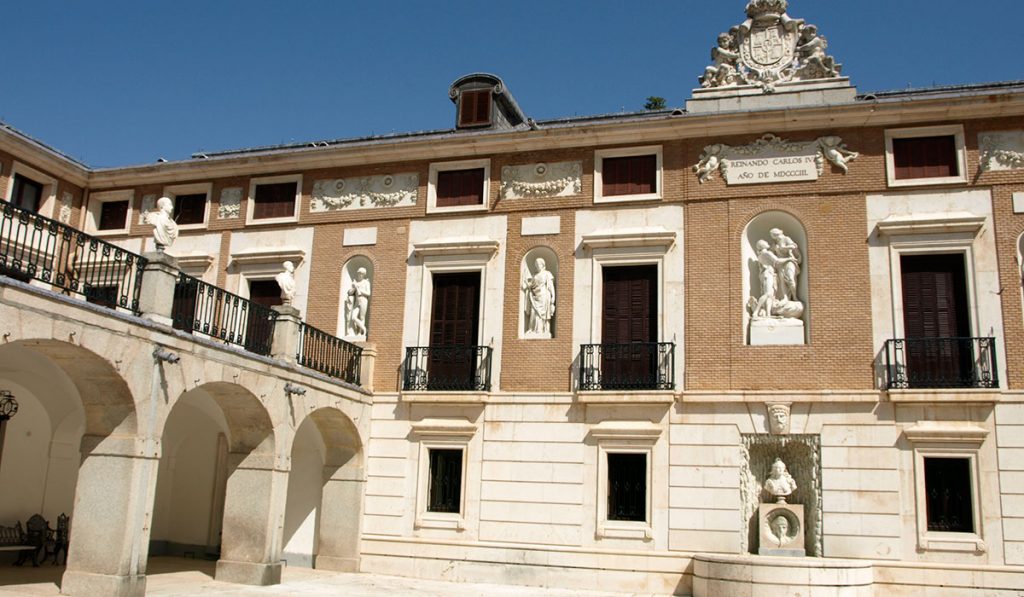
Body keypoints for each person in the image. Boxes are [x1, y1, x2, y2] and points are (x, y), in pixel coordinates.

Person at [522, 258, 555, 337]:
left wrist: (553, 297)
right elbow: (529, 286)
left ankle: (542, 330)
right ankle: (532, 329)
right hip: (534, 296)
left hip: (543, 296)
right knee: (534, 313)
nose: (537, 266)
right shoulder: (534, 276)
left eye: (539, 264)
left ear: (543, 265)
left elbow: (550, 286)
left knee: (542, 315)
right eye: (536, 265)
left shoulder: (547, 274)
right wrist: (525, 281)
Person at [770, 228, 801, 303]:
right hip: (780, 263)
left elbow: (793, 246)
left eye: (776, 235)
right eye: (774, 236)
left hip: (790, 260)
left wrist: (784, 248)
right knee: (782, 281)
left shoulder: (786, 239)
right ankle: (785, 297)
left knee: (790, 278)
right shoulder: (775, 244)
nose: (776, 237)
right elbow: (771, 253)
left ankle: (794, 296)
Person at [346, 267, 371, 337]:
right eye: (359, 273)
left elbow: (368, 293)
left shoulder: (366, 282)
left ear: (364, 274)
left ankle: (360, 333)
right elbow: (350, 292)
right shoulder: (355, 282)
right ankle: (364, 328)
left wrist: (359, 288)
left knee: (362, 317)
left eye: (361, 273)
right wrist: (354, 287)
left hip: (363, 300)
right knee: (353, 317)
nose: (360, 275)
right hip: (357, 301)